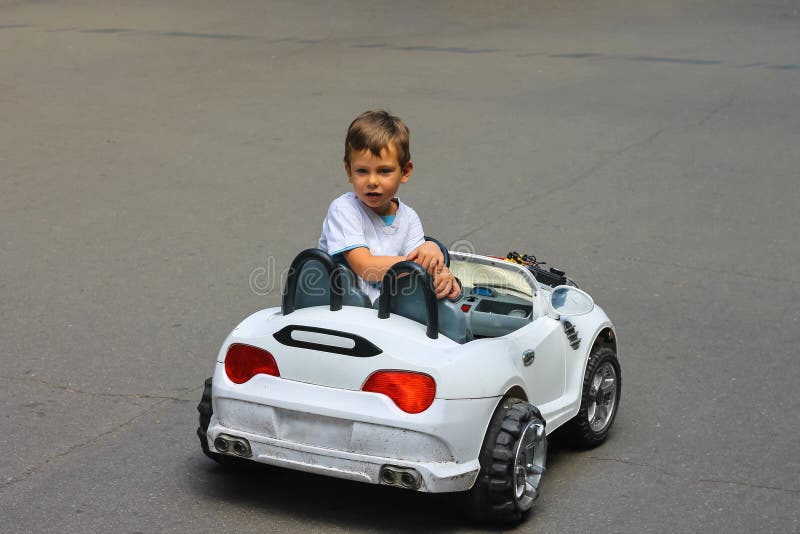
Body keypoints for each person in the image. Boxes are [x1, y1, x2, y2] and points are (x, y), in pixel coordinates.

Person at [318, 110, 460, 303]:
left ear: (405, 171)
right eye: (362, 171)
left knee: (451, 314)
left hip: (387, 309)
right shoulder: (343, 210)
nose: (372, 181)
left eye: (384, 171)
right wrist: (418, 265)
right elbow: (365, 266)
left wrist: (440, 272)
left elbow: (420, 259)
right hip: (341, 307)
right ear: (349, 171)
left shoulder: (408, 217)